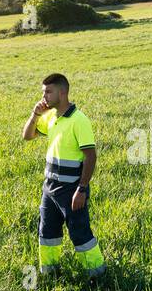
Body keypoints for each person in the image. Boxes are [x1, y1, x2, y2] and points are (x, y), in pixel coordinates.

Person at [21, 73, 106, 278]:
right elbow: (27, 136)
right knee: (47, 232)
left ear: (63, 92)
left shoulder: (79, 120)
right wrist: (35, 115)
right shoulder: (50, 117)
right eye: (43, 92)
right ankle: (50, 273)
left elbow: (91, 157)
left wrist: (82, 189)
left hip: (71, 190)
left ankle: (97, 275)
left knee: (80, 233)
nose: (44, 97)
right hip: (49, 188)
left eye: (48, 92)